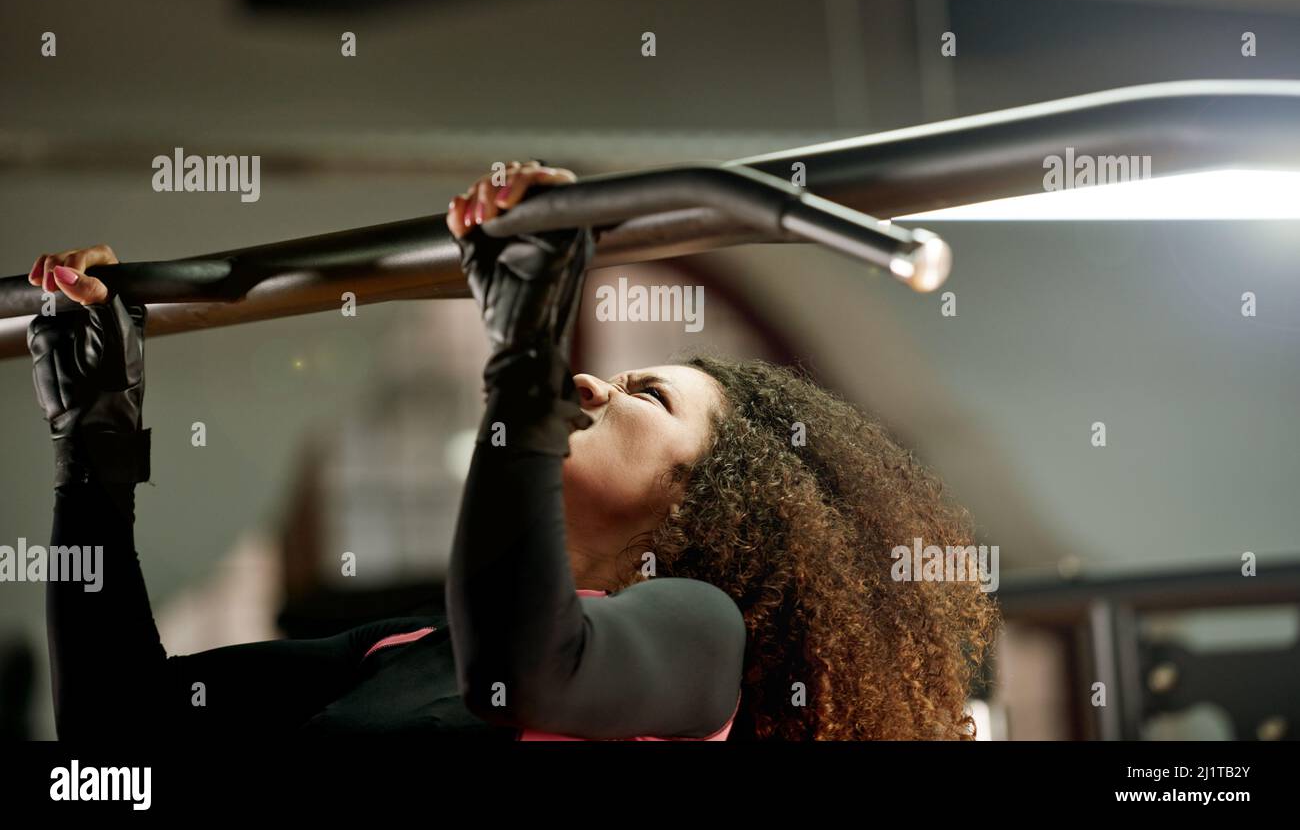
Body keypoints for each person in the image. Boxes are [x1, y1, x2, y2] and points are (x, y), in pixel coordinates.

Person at [29, 161, 998, 741]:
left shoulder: (706, 639)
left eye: (643, 396)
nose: (592, 382)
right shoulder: (415, 647)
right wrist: (94, 446)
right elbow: (121, 733)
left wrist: (526, 350)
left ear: (703, 511)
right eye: (616, 376)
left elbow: (525, 674)